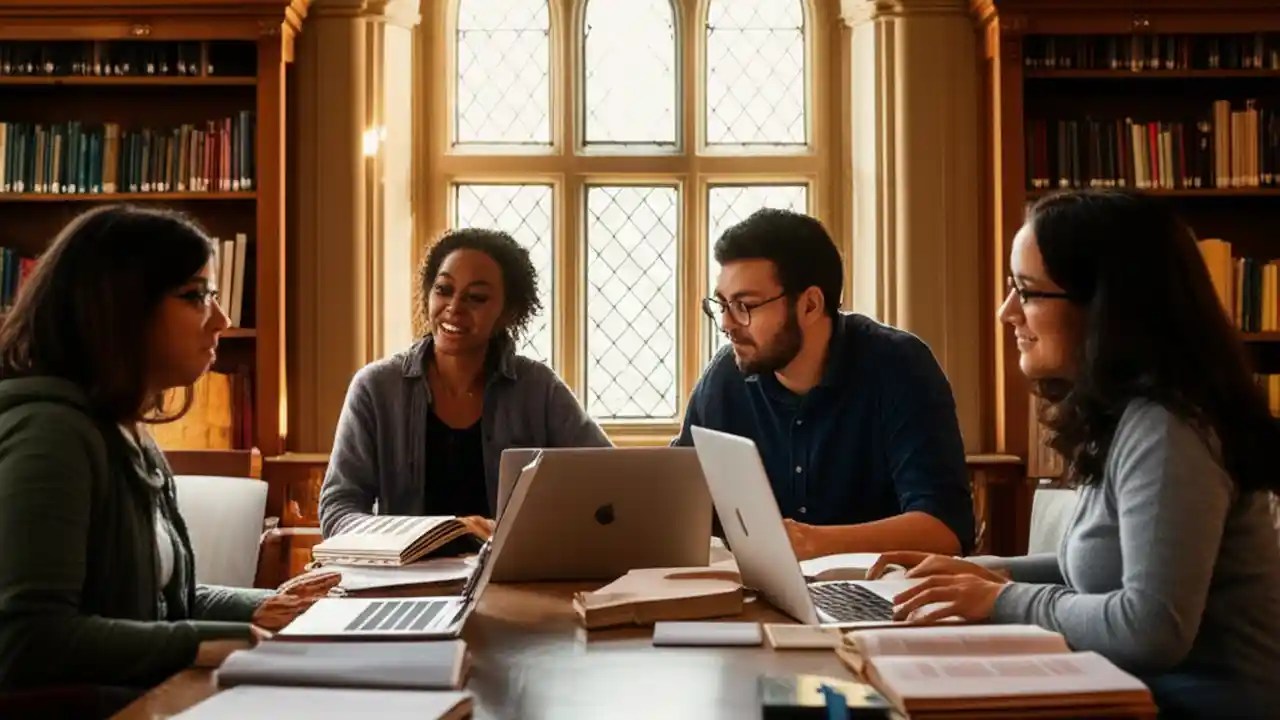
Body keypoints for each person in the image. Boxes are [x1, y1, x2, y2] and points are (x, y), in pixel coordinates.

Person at [870, 189, 1280, 718]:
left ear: (1108, 308)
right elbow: (1086, 570)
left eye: (1028, 291)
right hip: (1136, 694)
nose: (1006, 312)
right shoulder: (1125, 416)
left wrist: (998, 600)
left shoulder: (1167, 429)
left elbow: (1153, 629)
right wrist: (966, 571)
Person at [0, 205, 336, 713]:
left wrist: (269, 608)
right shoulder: (52, 436)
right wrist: (214, 641)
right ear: (118, 309)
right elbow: (27, 640)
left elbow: (156, 603)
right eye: (194, 296)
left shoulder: (125, 431)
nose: (221, 320)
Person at [674, 208, 975, 559]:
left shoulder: (900, 366)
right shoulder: (724, 378)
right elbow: (679, 505)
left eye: (744, 305)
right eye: (721, 304)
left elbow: (945, 528)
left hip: (884, 599)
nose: (726, 323)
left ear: (810, 305)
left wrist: (815, 543)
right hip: (759, 594)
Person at [319, 228, 610, 540]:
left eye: (476, 298)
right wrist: (429, 533)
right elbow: (338, 511)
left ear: (508, 312)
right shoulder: (375, 388)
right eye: (443, 289)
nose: (454, 307)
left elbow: (609, 483)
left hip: (512, 580)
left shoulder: (539, 389)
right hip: (401, 583)